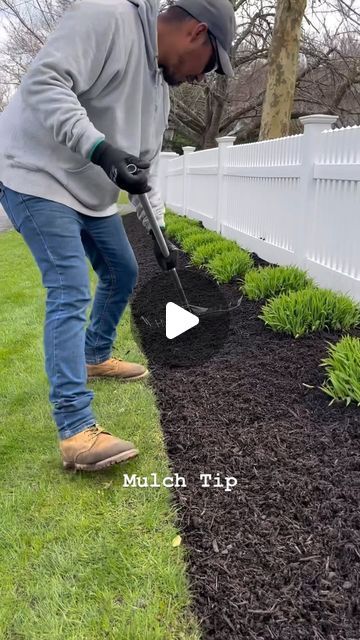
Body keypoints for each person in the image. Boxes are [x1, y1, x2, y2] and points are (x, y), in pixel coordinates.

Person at [0, 0, 235, 472]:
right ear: (197, 33)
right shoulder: (107, 16)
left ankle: (95, 355)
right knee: (69, 285)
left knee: (123, 269)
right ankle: (75, 430)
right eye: (208, 65)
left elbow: (141, 173)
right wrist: (100, 148)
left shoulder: (159, 94)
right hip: (34, 173)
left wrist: (160, 235)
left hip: (90, 192)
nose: (200, 77)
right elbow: (44, 83)